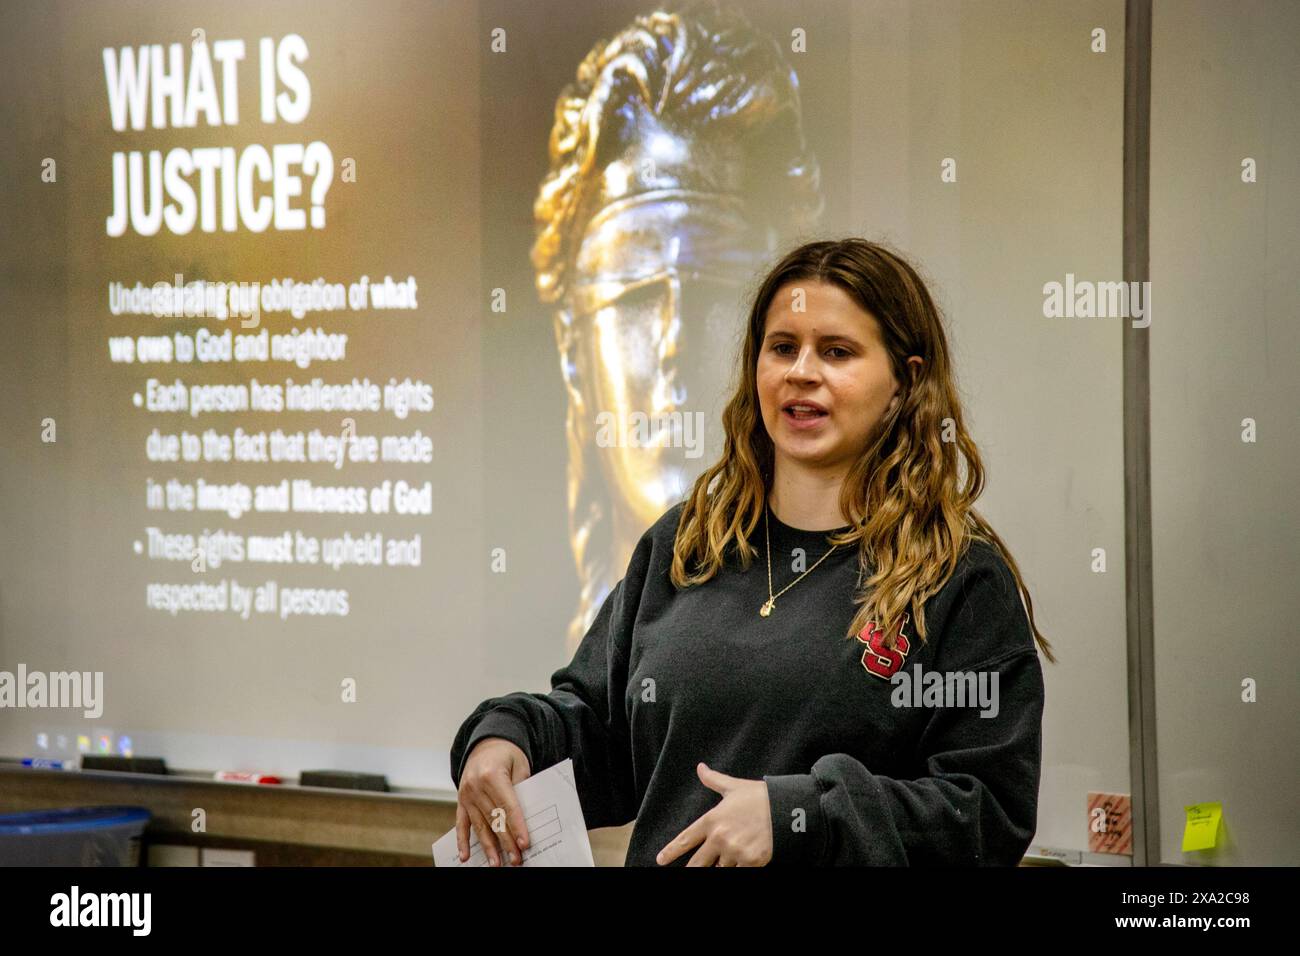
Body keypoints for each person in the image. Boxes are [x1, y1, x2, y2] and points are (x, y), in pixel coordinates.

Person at [451, 237, 1055, 867]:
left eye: (838, 352)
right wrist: (510, 737)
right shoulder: (687, 544)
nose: (801, 371)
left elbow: (985, 812)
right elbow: (604, 738)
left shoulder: (956, 575)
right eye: (783, 347)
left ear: (905, 382)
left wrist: (802, 816)